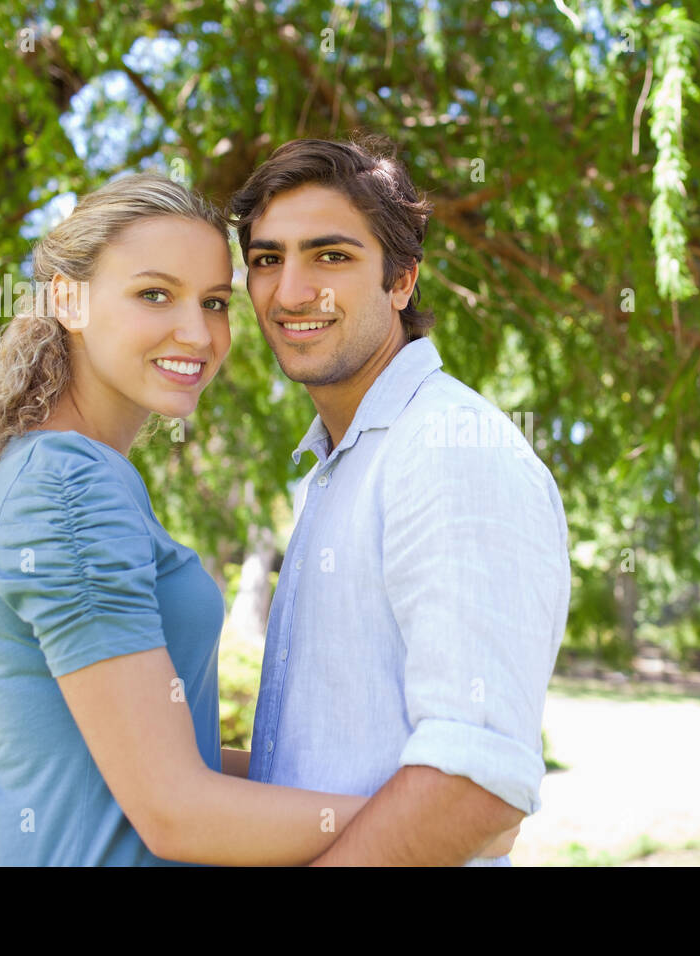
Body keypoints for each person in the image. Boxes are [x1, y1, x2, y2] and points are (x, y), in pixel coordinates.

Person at [0, 172, 515, 866]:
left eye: (215, 302)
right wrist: (443, 826)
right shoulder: (67, 488)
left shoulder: (77, 474)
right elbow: (174, 813)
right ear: (67, 300)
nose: (197, 332)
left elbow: (144, 759)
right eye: (154, 294)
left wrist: (419, 796)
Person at [226, 136, 571, 866]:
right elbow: (317, 764)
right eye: (267, 259)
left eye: (331, 256)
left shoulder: (449, 451)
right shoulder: (344, 460)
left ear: (402, 281)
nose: (290, 291)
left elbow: (476, 781)